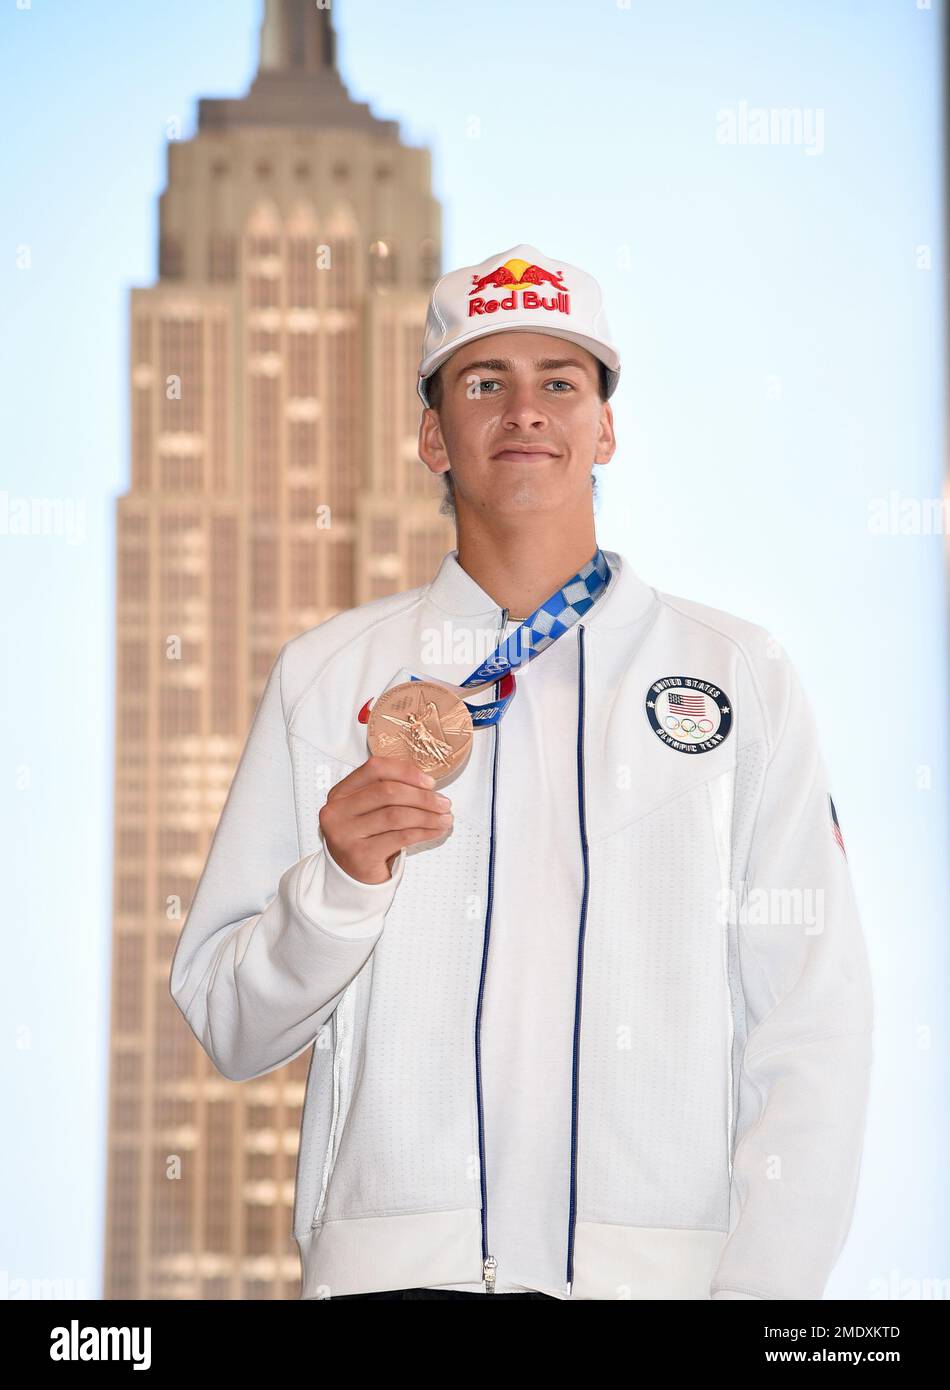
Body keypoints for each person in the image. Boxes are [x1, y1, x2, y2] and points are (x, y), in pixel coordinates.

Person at [169, 242, 874, 1301]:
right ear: (430, 436)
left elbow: (812, 1021)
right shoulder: (328, 677)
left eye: (561, 382)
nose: (525, 411)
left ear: (604, 429)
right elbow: (229, 1024)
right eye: (483, 382)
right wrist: (338, 887)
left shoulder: (735, 677)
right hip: (389, 1282)